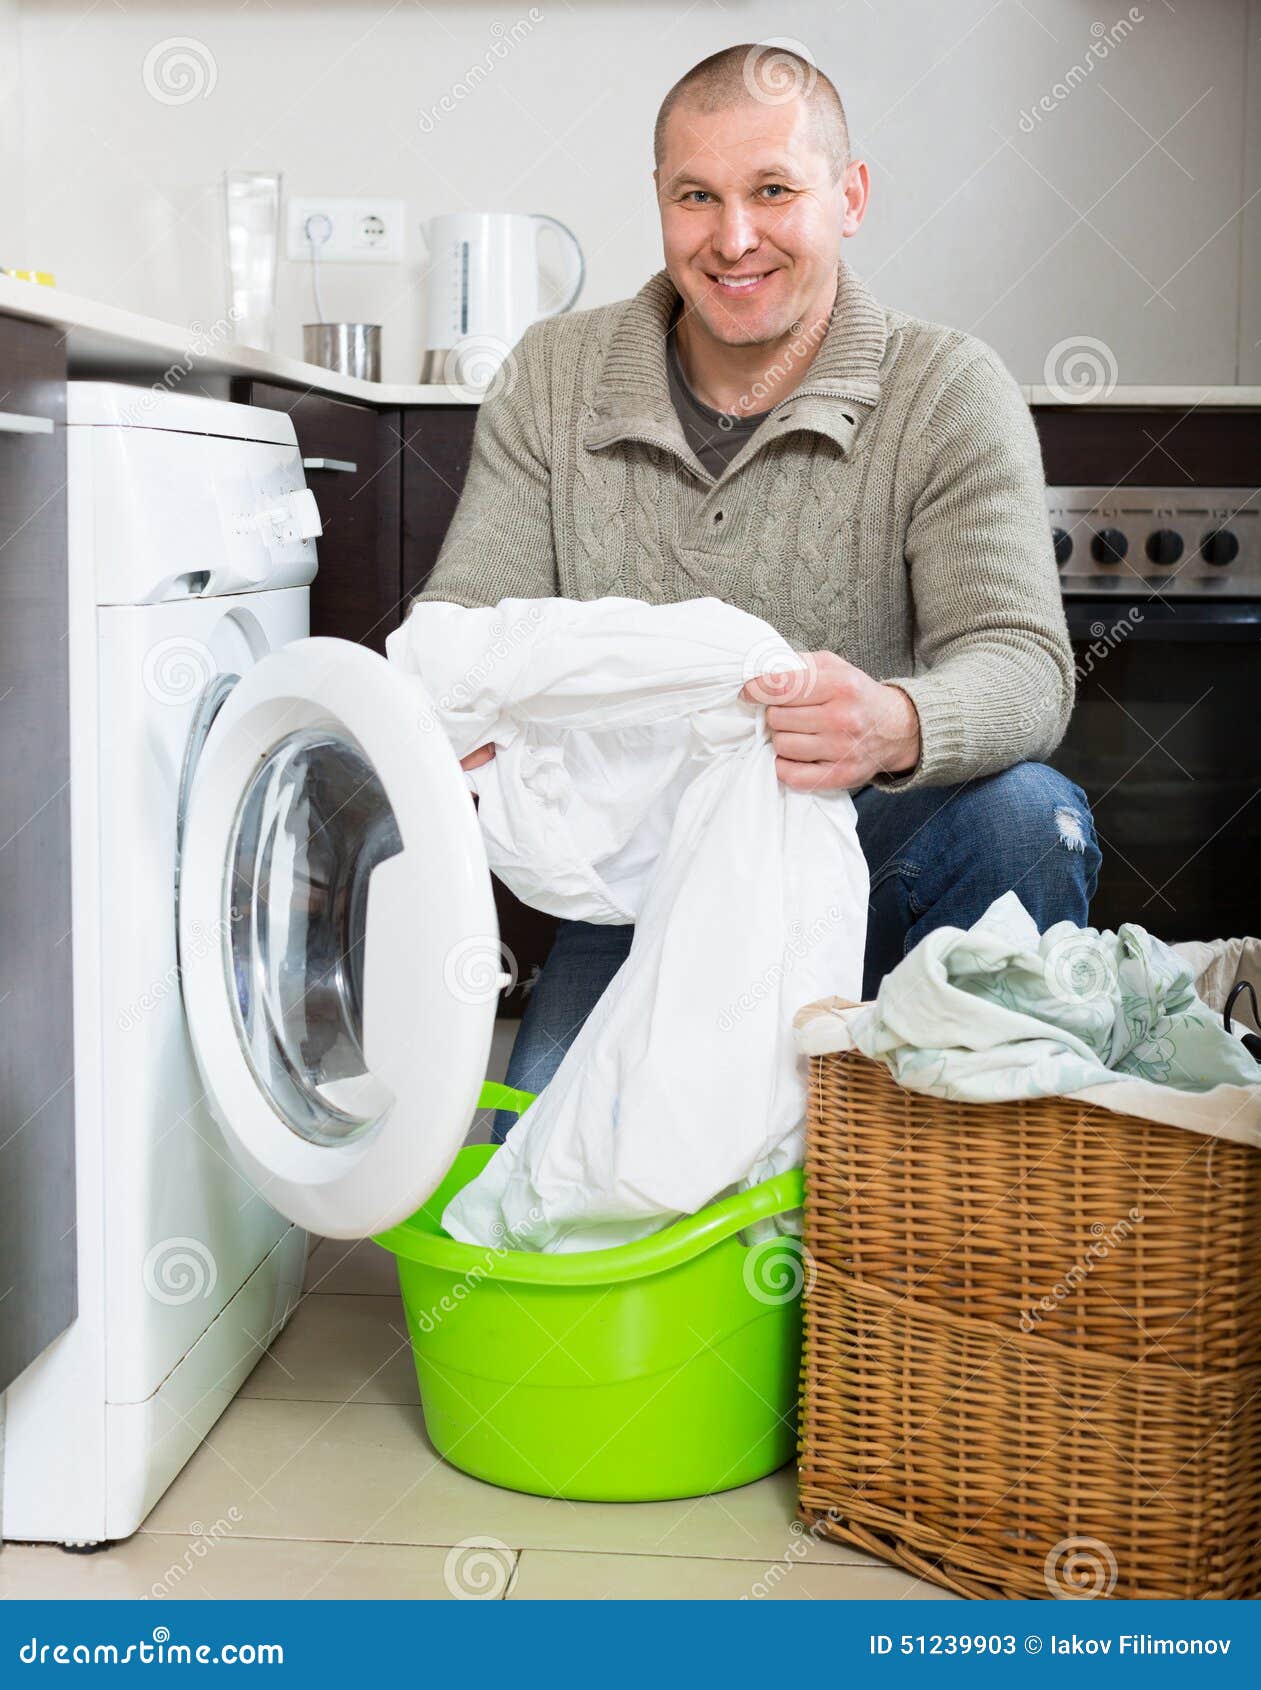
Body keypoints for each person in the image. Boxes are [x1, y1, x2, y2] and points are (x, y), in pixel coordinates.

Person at [415, 43, 1100, 1127]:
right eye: (698, 196)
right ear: (660, 200)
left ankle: (936, 1163)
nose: (733, 239)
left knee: (1028, 815)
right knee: (546, 1208)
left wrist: (893, 720)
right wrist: (456, 723)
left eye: (773, 190)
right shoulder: (552, 376)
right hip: (646, 895)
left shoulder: (947, 389)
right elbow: (465, 625)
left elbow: (1023, 666)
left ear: (849, 196)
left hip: (878, 859)